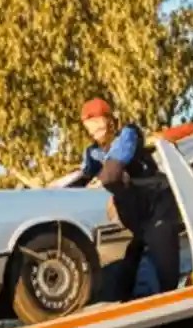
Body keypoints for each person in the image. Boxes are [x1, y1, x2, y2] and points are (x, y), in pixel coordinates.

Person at [66, 97, 182, 302]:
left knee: (167, 278)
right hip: (136, 224)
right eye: (87, 124)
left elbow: (112, 171)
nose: (92, 129)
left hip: (157, 213)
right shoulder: (92, 152)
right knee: (122, 283)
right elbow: (82, 179)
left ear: (109, 119)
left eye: (95, 121)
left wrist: (103, 183)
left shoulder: (128, 134)